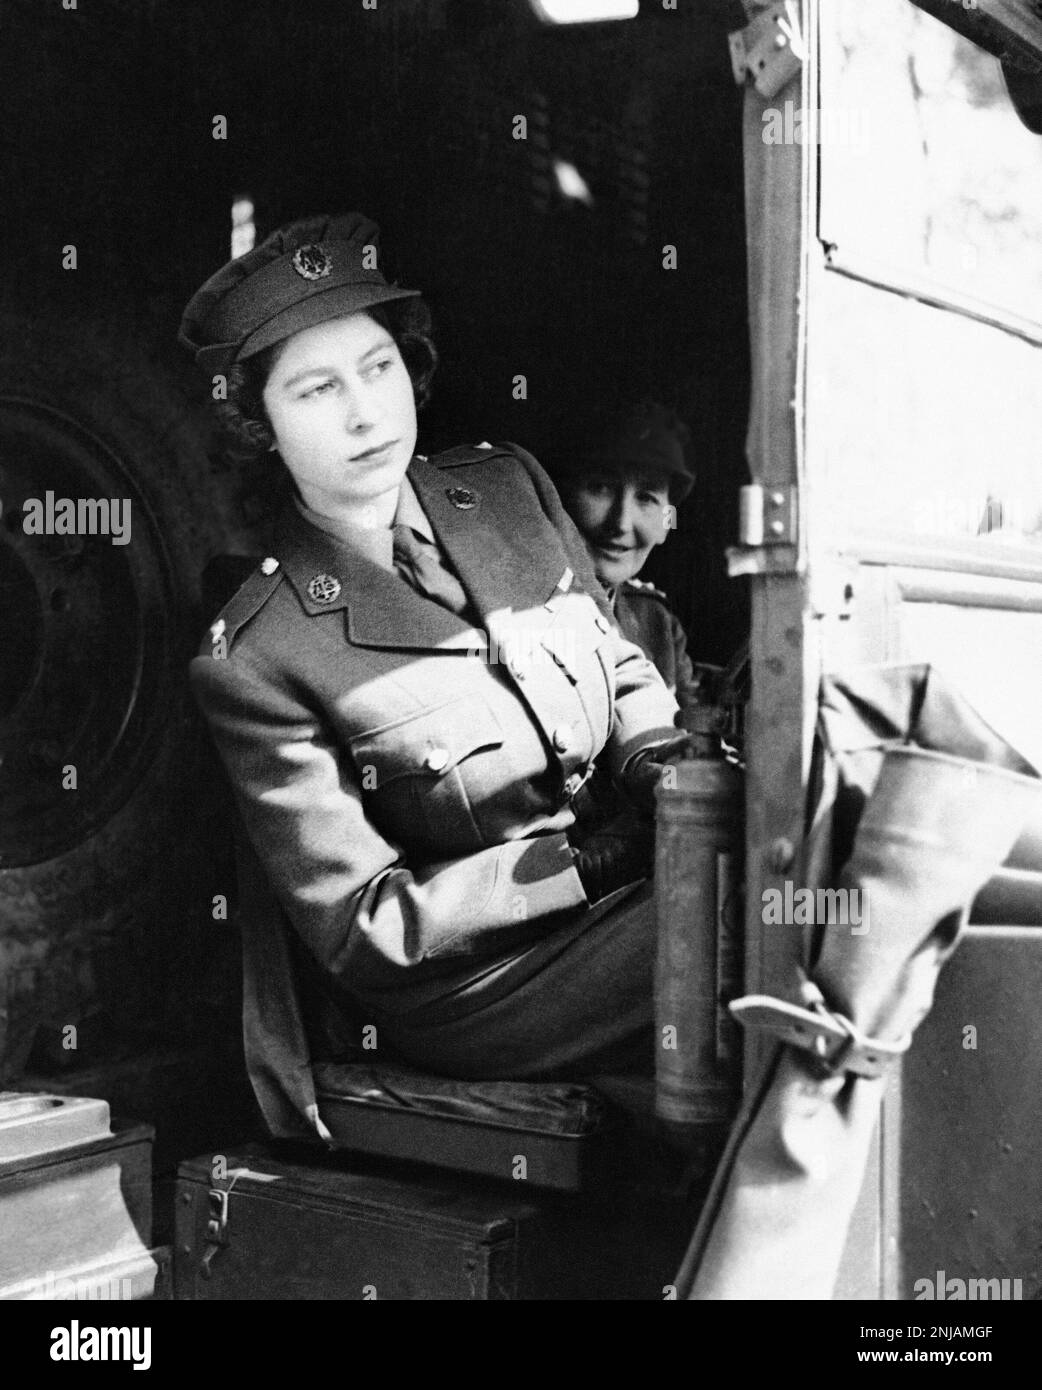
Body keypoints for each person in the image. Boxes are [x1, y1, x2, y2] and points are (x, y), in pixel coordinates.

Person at [180, 213, 691, 1138]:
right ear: (260, 426)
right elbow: (364, 928)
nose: (365, 413)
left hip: (633, 897)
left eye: (378, 368)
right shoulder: (255, 656)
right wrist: (581, 866)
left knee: (810, 839)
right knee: (764, 914)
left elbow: (615, 661)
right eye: (317, 390)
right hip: (483, 988)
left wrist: (655, 759)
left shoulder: (508, 489)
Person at [552, 400, 700, 717]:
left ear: (666, 524)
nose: (620, 523)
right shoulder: (517, 612)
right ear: (560, 497)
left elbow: (690, 734)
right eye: (600, 487)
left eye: (646, 497)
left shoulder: (657, 624)